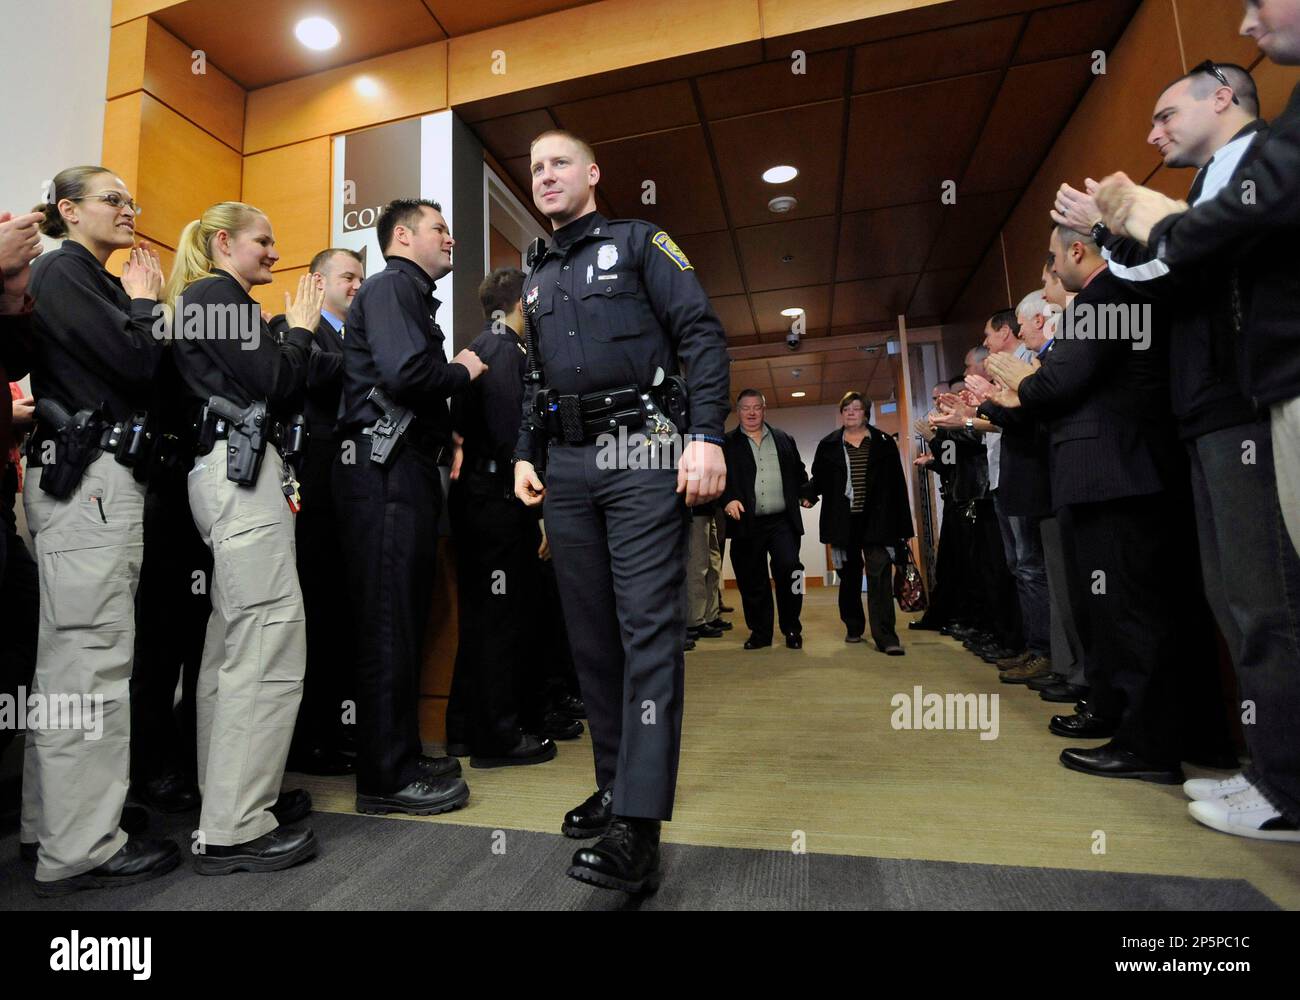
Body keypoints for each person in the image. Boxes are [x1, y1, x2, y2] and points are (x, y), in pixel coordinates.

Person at [1069, 54, 1300, 839]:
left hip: (1242, 405)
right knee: (1236, 599)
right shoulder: (1206, 189)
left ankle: (1286, 783)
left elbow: (1187, 272)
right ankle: (1273, 769)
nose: (1154, 132)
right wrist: (1111, 228)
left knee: (1268, 600)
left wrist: (1118, 224)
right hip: (1206, 412)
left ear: (1223, 98)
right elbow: (1168, 279)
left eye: (1166, 115)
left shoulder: (1260, 166)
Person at [512, 129, 728, 893]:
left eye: (559, 163)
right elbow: (535, 379)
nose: (545, 175)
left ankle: (638, 826)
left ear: (593, 173)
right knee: (592, 637)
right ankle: (613, 786)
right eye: (535, 168)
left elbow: (701, 334)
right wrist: (525, 451)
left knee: (646, 630)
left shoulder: (640, 242)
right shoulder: (535, 275)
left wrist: (706, 435)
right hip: (568, 464)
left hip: (640, 448)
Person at [988, 225, 1232, 783]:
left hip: (1115, 474)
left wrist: (1023, 382)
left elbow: (1059, 385)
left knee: (1131, 615)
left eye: (1054, 258)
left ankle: (1148, 745)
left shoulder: (1105, 298)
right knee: (1140, 612)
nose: (1053, 270)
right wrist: (1027, 386)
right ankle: (1183, 736)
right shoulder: (1115, 296)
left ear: (1077, 251)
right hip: (1123, 472)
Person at [18, 167, 173, 895]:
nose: (128, 210)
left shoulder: (88, 279)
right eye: (113, 199)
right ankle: (81, 846)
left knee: (73, 662)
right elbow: (138, 363)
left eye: (131, 200)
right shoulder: (62, 272)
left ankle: (54, 827)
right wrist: (144, 305)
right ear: (69, 210)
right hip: (89, 483)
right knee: (90, 663)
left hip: (94, 486)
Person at [168, 200, 323, 874]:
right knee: (264, 638)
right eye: (263, 240)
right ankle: (234, 826)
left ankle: (227, 803)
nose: (274, 252)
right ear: (223, 243)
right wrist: (301, 331)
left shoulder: (209, 299)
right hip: (239, 475)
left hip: (231, 474)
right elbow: (278, 382)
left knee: (235, 642)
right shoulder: (215, 295)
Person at [333, 198, 483, 815]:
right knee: (389, 623)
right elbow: (407, 374)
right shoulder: (393, 286)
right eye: (439, 228)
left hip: (400, 470)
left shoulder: (405, 293)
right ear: (402, 235)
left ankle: (400, 755)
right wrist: (462, 371)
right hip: (385, 473)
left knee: (400, 619)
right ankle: (384, 778)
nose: (450, 238)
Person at [446, 266, 557, 768]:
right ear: (522, 305)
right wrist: (539, 514)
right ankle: (498, 738)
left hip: (474, 498)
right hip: (498, 501)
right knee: (501, 619)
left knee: (480, 618)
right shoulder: (509, 353)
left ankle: (464, 730)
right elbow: (516, 440)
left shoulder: (478, 346)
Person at [286, 247, 364, 776]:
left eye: (361, 277)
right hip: (314, 494)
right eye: (348, 277)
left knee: (341, 616)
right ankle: (311, 740)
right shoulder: (295, 329)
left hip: (348, 495)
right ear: (318, 282)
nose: (358, 285)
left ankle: (337, 731)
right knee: (316, 614)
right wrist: (373, 358)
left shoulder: (351, 337)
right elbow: (312, 375)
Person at [806, 392, 913, 654]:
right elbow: (820, 479)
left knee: (879, 575)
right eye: (846, 409)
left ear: (866, 413)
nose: (851, 413)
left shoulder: (884, 442)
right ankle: (853, 626)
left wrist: (904, 528)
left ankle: (886, 636)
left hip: (878, 520)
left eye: (856, 408)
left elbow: (897, 486)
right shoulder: (829, 444)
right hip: (843, 522)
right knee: (849, 577)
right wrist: (807, 495)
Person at [721, 389, 811, 650]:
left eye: (756, 407)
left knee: (792, 570)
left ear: (764, 409)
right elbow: (719, 479)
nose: (751, 412)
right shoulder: (727, 443)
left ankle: (792, 628)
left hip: (782, 522)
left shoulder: (784, 439)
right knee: (751, 580)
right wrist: (727, 499)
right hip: (746, 523)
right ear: (738, 411)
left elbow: (799, 473)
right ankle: (760, 632)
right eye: (745, 408)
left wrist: (805, 494)